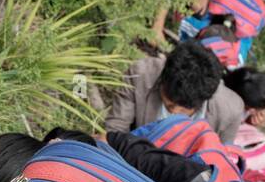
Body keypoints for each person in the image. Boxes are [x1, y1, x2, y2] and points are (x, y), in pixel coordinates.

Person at [96, 40, 246, 143]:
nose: (174, 112)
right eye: (169, 104)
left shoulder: (231, 110)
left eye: (183, 109)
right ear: (163, 78)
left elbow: (220, 160)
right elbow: (115, 129)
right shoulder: (139, 75)